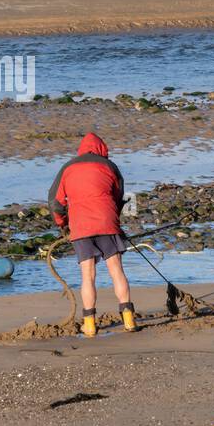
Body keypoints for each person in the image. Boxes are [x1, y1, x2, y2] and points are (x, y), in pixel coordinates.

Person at [47, 132, 136, 337]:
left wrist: (63, 224)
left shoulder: (68, 168)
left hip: (80, 226)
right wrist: (114, 221)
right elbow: (118, 197)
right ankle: (129, 319)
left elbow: (55, 202)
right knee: (116, 271)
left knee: (88, 276)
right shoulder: (110, 167)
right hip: (107, 224)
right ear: (102, 148)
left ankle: (89, 324)